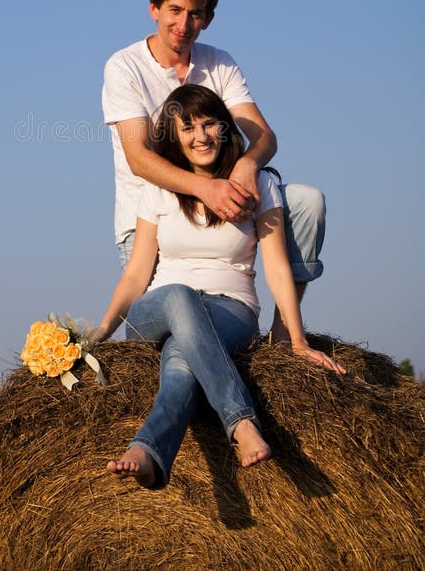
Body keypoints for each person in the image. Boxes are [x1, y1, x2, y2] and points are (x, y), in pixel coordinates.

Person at [94, 85, 346, 489]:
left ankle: (148, 451)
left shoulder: (259, 185)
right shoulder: (158, 188)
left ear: (227, 129)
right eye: (188, 127)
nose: (201, 136)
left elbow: (277, 268)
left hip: (232, 311)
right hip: (157, 311)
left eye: (210, 124)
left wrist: (296, 340)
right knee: (180, 296)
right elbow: (137, 274)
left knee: (181, 354)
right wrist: (102, 331)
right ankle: (242, 421)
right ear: (174, 136)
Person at [102, 0, 325, 340]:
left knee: (307, 202)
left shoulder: (220, 62)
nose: (184, 23)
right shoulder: (124, 67)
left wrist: (247, 165)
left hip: (222, 210)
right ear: (154, 9)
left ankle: (285, 332)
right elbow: (138, 158)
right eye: (175, 10)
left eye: (195, 14)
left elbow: (265, 136)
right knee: (164, 342)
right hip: (154, 217)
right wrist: (206, 188)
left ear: (208, 19)